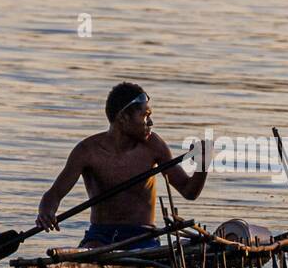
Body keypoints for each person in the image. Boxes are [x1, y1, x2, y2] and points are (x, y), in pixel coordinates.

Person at [36, 82, 208, 249]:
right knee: (89, 252)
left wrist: (203, 164)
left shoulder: (153, 145)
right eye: (145, 116)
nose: (151, 123)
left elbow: (189, 191)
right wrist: (46, 212)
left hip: (143, 237)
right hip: (100, 236)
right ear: (123, 118)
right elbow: (55, 194)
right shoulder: (87, 151)